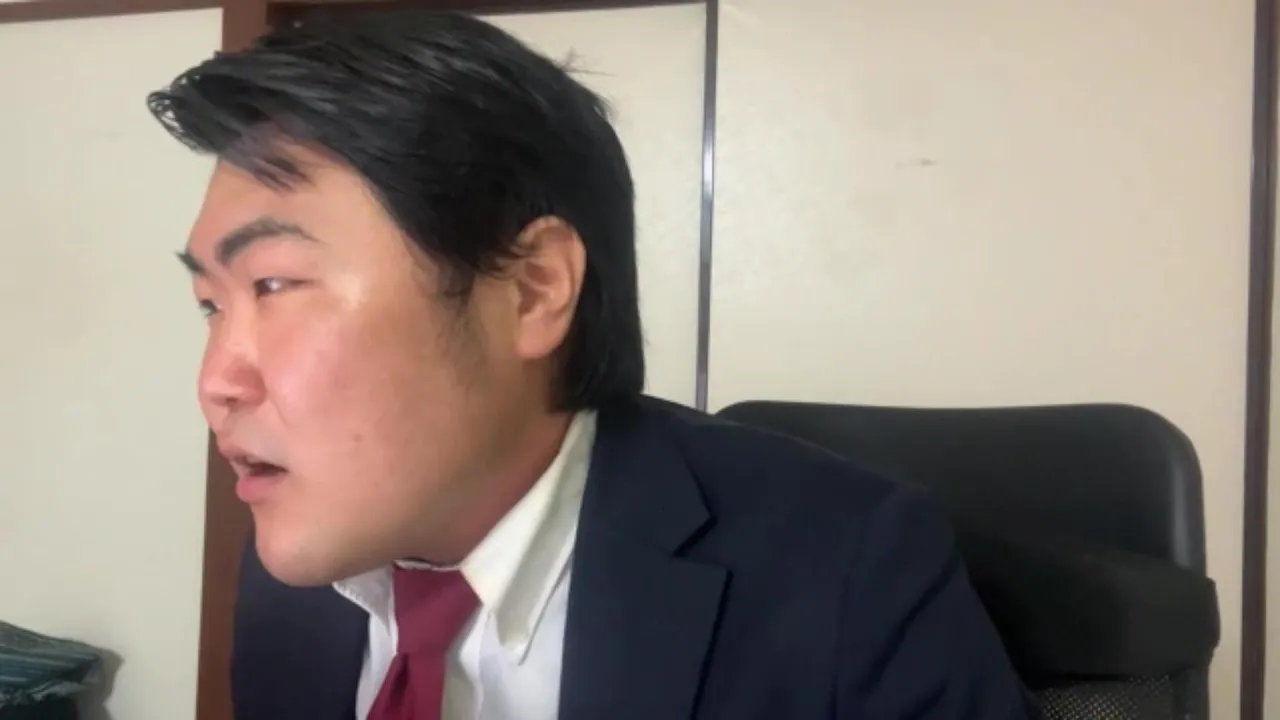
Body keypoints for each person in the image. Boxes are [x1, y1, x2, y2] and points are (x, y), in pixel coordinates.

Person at [148, 11, 1035, 720]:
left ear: (532, 289)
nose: (216, 382)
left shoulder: (847, 574)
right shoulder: (299, 573)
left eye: (274, 284)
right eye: (210, 306)